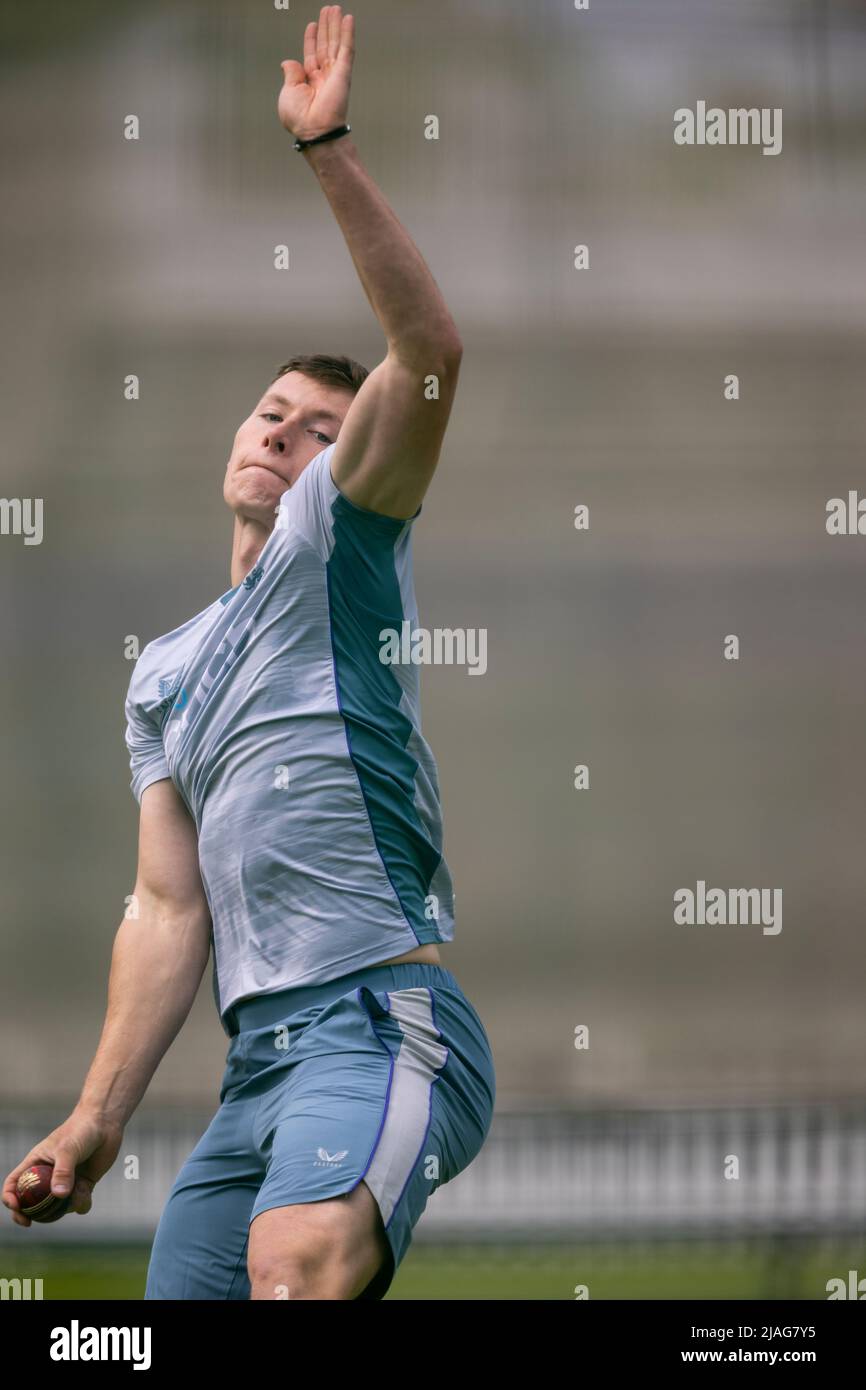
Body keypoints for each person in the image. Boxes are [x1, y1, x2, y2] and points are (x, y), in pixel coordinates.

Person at [2, 5, 495, 1300]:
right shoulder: (162, 671)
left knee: (294, 1267)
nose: (283, 436)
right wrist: (95, 1120)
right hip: (255, 1066)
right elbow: (169, 911)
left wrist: (323, 143)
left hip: (377, 1023)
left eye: (319, 427)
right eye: (271, 413)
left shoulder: (337, 544)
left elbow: (430, 354)